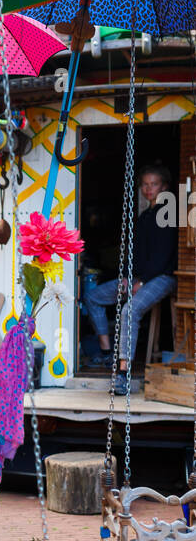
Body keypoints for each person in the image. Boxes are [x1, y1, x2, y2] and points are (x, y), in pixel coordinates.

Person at [83, 163, 177, 394]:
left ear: (164, 186)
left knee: (129, 310)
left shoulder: (170, 214)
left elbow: (163, 256)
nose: (148, 189)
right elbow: (133, 253)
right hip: (137, 277)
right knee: (93, 297)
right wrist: (126, 277)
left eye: (154, 184)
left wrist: (142, 281)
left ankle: (123, 374)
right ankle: (107, 353)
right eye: (145, 184)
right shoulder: (145, 216)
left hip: (163, 278)